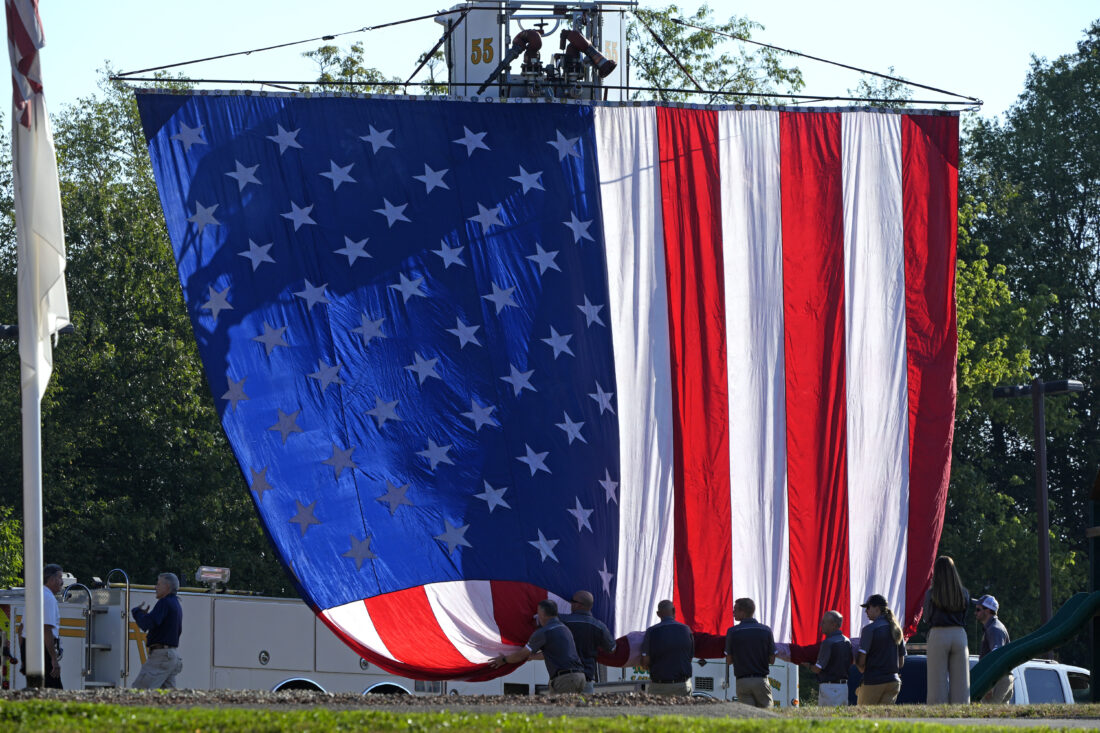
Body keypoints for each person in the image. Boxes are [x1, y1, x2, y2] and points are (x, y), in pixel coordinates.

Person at [489, 599, 585, 693]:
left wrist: (504, 660)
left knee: (559, 708)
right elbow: (551, 653)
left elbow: (522, 654)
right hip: (579, 677)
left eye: (538, 612)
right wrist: (533, 657)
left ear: (542, 614)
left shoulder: (544, 632)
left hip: (565, 679)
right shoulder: (564, 628)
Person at [923, 555, 971, 704]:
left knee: (937, 684)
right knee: (962, 684)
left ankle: (939, 717)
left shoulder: (931, 594)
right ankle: (961, 715)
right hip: (959, 634)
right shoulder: (963, 593)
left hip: (938, 634)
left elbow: (926, 617)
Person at [131, 572, 184, 689]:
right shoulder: (175, 603)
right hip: (171, 656)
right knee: (167, 698)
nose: (155, 587)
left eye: (158, 584)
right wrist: (147, 616)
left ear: (167, 587)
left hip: (161, 656)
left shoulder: (164, 603)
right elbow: (155, 621)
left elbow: (147, 624)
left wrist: (137, 612)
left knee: (139, 692)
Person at [561, 590, 616, 693]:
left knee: (563, 709)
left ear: (579, 605)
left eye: (572, 601)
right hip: (587, 679)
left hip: (565, 678)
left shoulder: (563, 621)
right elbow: (612, 649)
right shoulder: (600, 627)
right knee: (585, 709)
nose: (570, 603)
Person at [724, 597, 776, 708]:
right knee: (767, 716)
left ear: (743, 612)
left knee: (748, 717)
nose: (733, 612)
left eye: (735, 610)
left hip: (742, 681)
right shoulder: (766, 630)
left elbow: (728, 661)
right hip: (761, 679)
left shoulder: (732, 632)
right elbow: (772, 660)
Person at [855, 594, 906, 705]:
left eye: (868, 607)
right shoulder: (897, 629)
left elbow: (861, 663)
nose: (866, 611)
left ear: (877, 608)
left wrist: (855, 659)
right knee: (885, 719)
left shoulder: (869, 629)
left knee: (863, 718)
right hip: (894, 682)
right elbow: (901, 663)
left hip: (873, 682)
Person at [18, 563, 64, 688]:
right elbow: (46, 630)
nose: (62, 581)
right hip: (42, 650)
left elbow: (21, 629)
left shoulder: (34, 596)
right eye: (60, 577)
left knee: (35, 688)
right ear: (52, 579)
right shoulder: (49, 598)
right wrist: (53, 659)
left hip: (28, 646)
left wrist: (23, 656)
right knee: (54, 692)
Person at [640, 600, 694, 696]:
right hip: (682, 686)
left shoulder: (651, 632)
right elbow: (689, 657)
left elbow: (645, 661)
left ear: (658, 614)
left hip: (659, 686)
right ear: (674, 611)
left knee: (657, 711)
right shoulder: (686, 630)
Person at [975, 594, 1013, 703]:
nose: (975, 613)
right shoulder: (994, 627)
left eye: (978, 609)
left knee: (989, 716)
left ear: (987, 611)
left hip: (997, 680)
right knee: (1001, 718)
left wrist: (990, 685)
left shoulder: (994, 629)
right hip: (1002, 679)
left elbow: (996, 657)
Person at [811, 610, 852, 706]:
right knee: (841, 718)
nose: (821, 624)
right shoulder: (847, 641)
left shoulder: (828, 642)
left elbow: (817, 669)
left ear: (833, 624)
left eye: (824, 622)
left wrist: (808, 665)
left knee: (827, 719)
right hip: (844, 687)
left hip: (829, 688)